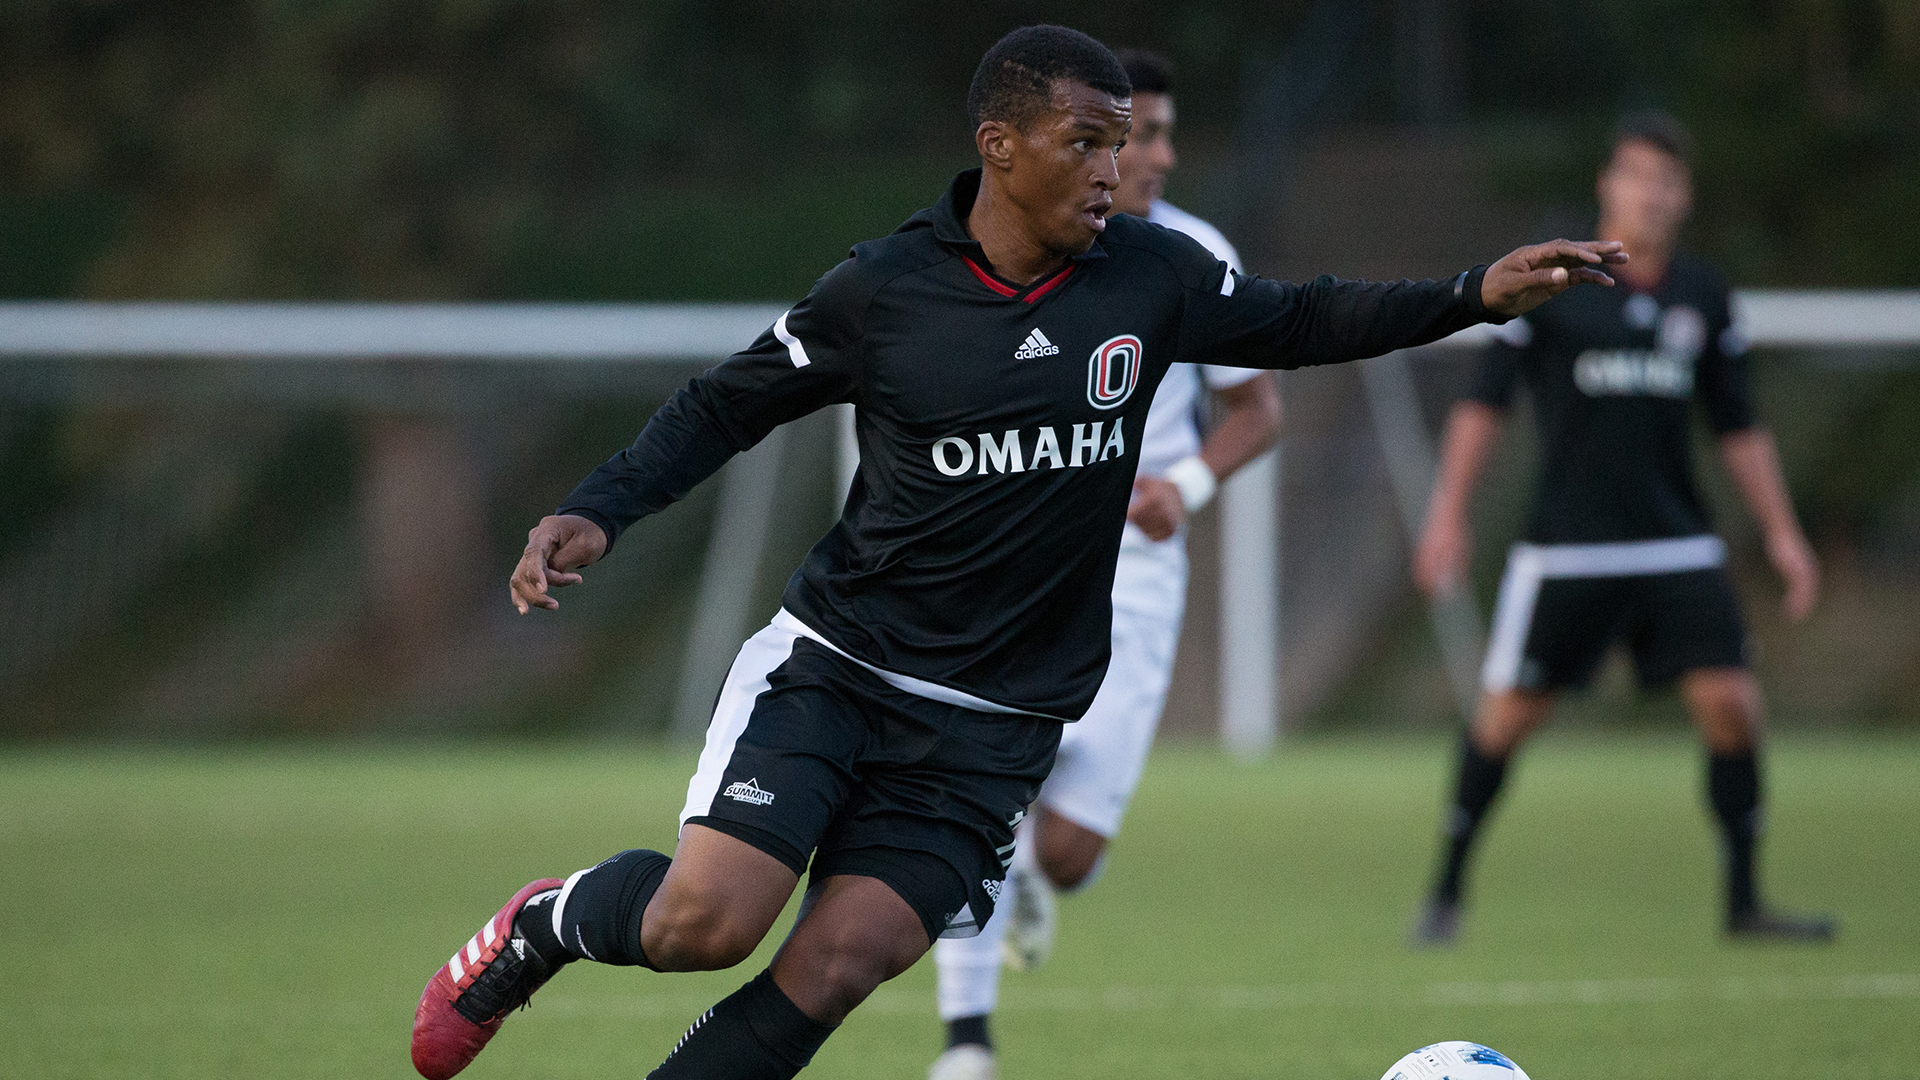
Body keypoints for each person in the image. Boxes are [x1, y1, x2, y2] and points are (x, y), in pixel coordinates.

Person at [409, 25, 1622, 1080]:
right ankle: (544, 926)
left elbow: (1299, 321)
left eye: (1126, 141)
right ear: (1000, 143)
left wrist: (1472, 291)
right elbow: (727, 402)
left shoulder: (1149, 276)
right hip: (839, 669)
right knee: (706, 926)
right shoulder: (884, 292)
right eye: (1089, 142)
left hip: (995, 724)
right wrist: (599, 507)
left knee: (840, 966)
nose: (1116, 169)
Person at [924, 47, 1281, 1080]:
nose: (1153, 156)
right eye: (1130, 137)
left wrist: (1190, 486)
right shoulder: (1008, 252)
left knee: (1068, 852)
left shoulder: (1190, 255)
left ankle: (1027, 868)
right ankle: (967, 1044)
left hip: (1137, 574)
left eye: (1158, 135)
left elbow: (1258, 410)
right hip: (1014, 570)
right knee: (984, 795)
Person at [1408, 111, 1834, 946]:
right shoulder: (1552, 284)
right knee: (1507, 720)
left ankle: (1745, 905)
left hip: (1678, 543)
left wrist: (1783, 534)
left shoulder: (1704, 296)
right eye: (1638, 174)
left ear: (1685, 197)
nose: (1653, 193)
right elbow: (1483, 406)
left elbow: (1739, 426)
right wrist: (1447, 516)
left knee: (1733, 705)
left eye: (1668, 180)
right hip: (1566, 548)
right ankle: (1445, 894)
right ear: (1607, 185)